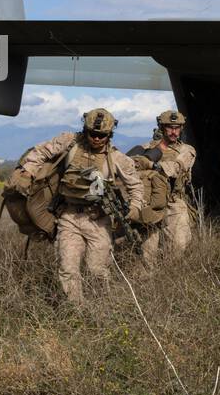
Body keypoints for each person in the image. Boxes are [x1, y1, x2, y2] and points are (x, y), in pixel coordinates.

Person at [18, 108, 144, 303]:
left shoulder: (117, 158)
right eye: (92, 134)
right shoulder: (70, 143)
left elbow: (136, 186)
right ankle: (76, 311)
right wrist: (27, 171)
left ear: (110, 134)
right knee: (67, 268)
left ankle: (102, 307)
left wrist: (134, 209)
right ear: (85, 130)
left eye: (102, 135)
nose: (96, 139)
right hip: (69, 217)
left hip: (99, 221)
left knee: (97, 270)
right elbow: (42, 150)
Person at [137, 110, 197, 265]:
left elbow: (176, 167)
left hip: (173, 201)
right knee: (148, 252)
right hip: (152, 201)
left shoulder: (187, 150)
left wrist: (150, 164)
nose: (173, 132)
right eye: (169, 128)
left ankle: (171, 277)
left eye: (177, 128)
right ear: (162, 128)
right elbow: (130, 163)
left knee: (178, 247)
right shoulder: (148, 147)